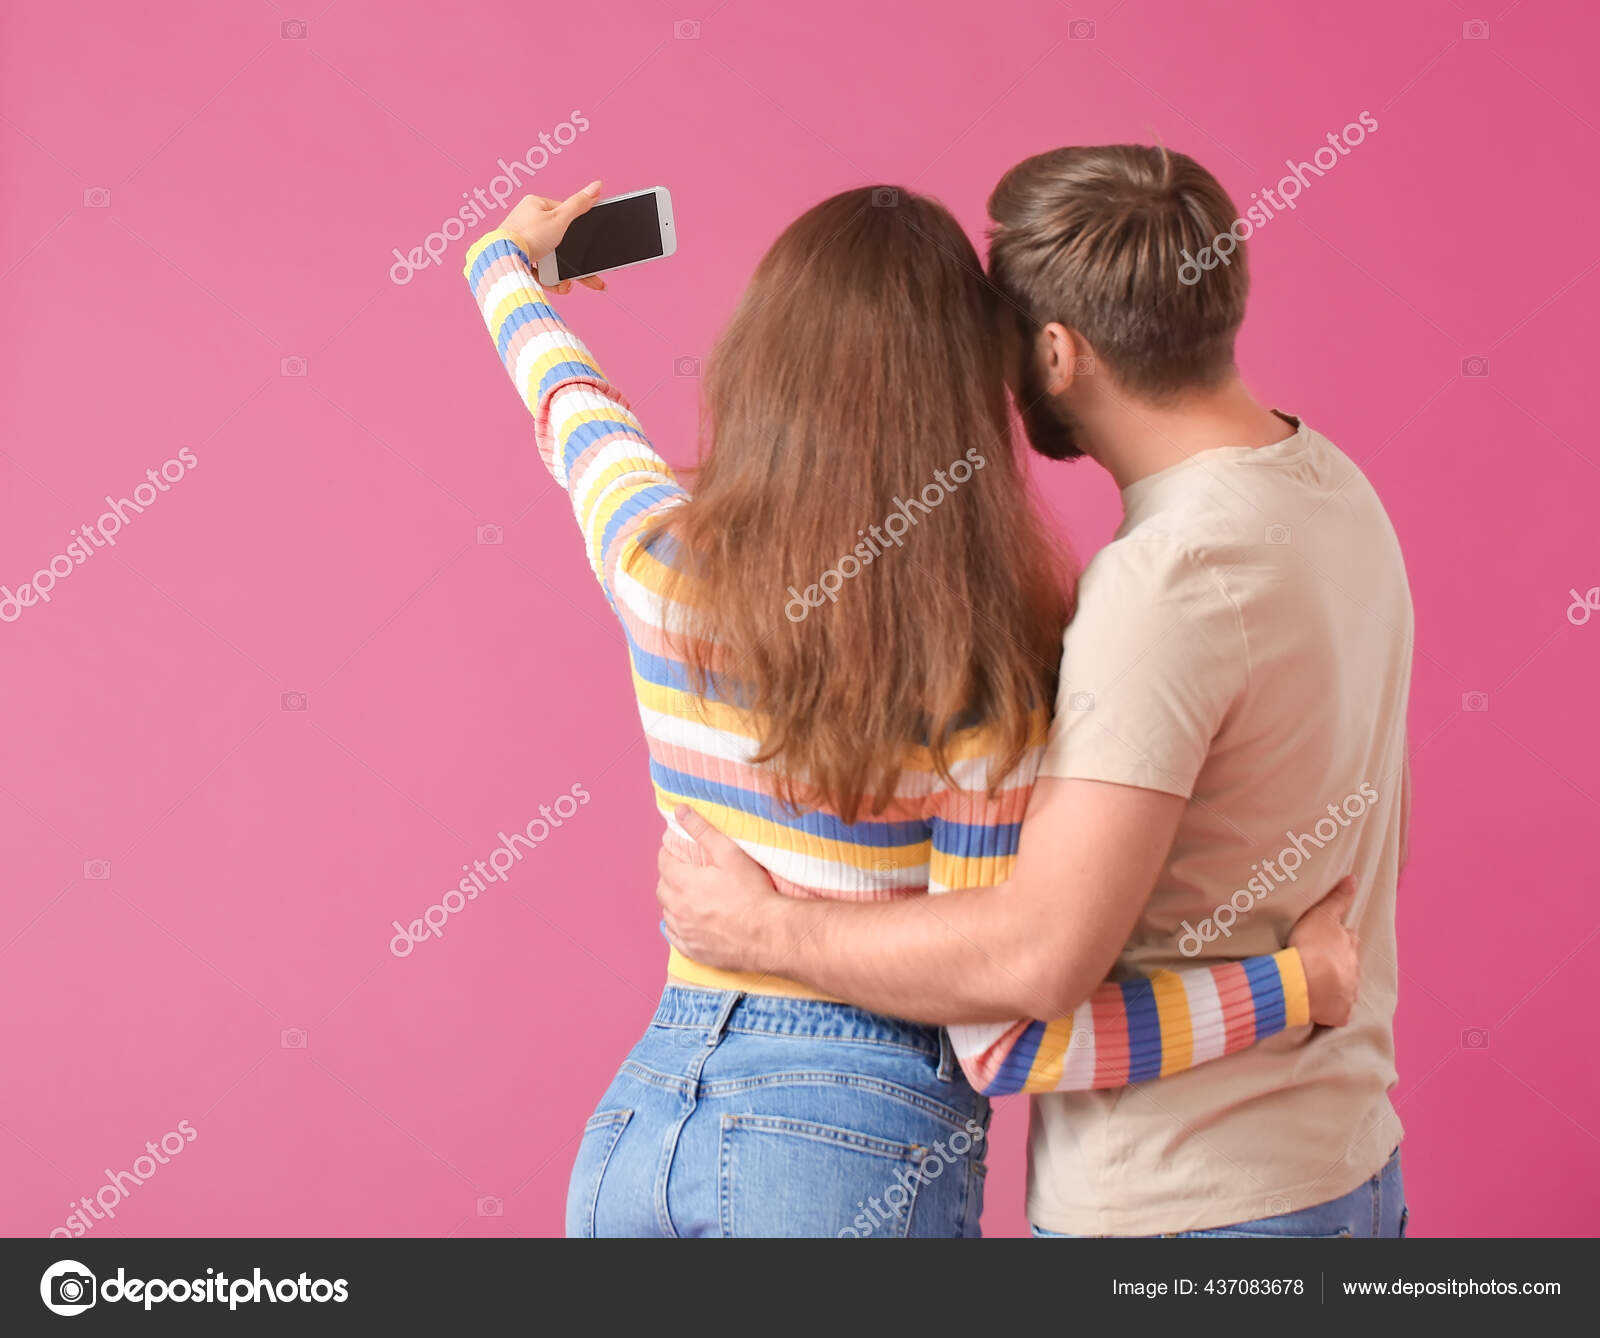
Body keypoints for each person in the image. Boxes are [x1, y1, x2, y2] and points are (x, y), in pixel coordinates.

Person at [465, 178, 1361, 1239]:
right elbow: (1009, 1037)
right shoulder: (980, 685)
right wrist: (1296, 983)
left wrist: (512, 265)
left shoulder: (653, 559)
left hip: (641, 1130)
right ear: (971, 399)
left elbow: (567, 401)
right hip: (844, 1149)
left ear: (761, 363)